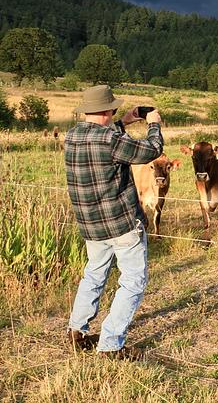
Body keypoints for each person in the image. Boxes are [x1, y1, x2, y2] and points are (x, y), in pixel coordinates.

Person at [64, 85, 163, 359]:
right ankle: (110, 344)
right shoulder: (111, 140)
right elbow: (152, 150)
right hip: (120, 223)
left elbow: (102, 135)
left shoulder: (72, 136)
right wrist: (153, 124)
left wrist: (125, 120)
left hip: (90, 224)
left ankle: (77, 331)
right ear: (108, 110)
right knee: (133, 281)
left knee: (94, 274)